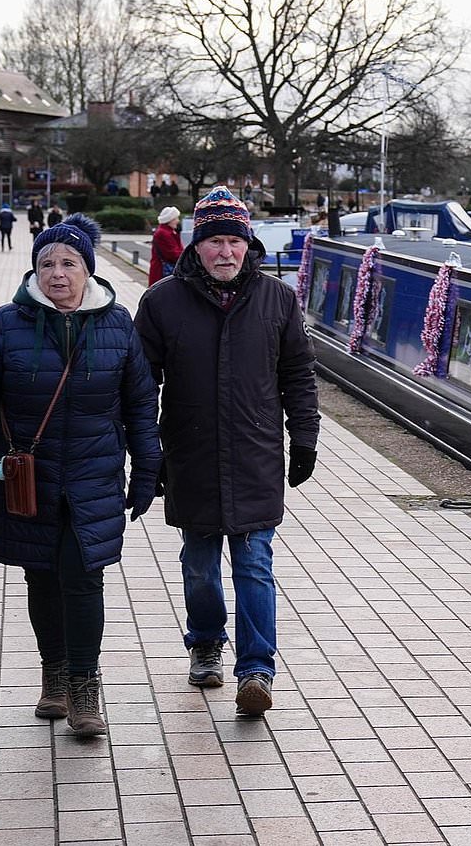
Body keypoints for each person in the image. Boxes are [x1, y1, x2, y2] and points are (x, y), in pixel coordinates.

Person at [0, 214, 161, 738]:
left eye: (69, 263)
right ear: (34, 270)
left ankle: (86, 685)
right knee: (41, 575)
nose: (57, 273)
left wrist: (147, 469)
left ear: (88, 269)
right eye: (47, 263)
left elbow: (140, 403)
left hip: (93, 475)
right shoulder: (8, 324)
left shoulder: (117, 324)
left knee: (83, 575)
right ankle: (55, 672)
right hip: (28, 478)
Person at [136, 187, 319, 716]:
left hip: (255, 453)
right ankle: (205, 642)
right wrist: (147, 453)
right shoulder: (162, 302)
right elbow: (139, 384)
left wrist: (303, 435)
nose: (224, 252)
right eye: (213, 240)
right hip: (190, 455)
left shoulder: (277, 299)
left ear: (248, 244)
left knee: (254, 562)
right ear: (196, 246)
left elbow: (298, 375)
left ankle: (257, 669)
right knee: (198, 563)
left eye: (233, 241)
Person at [148, 207, 183, 285]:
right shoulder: (164, 233)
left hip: (163, 270)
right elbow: (173, 254)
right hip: (162, 272)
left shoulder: (168, 232)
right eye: (176, 218)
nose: (178, 221)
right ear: (169, 220)